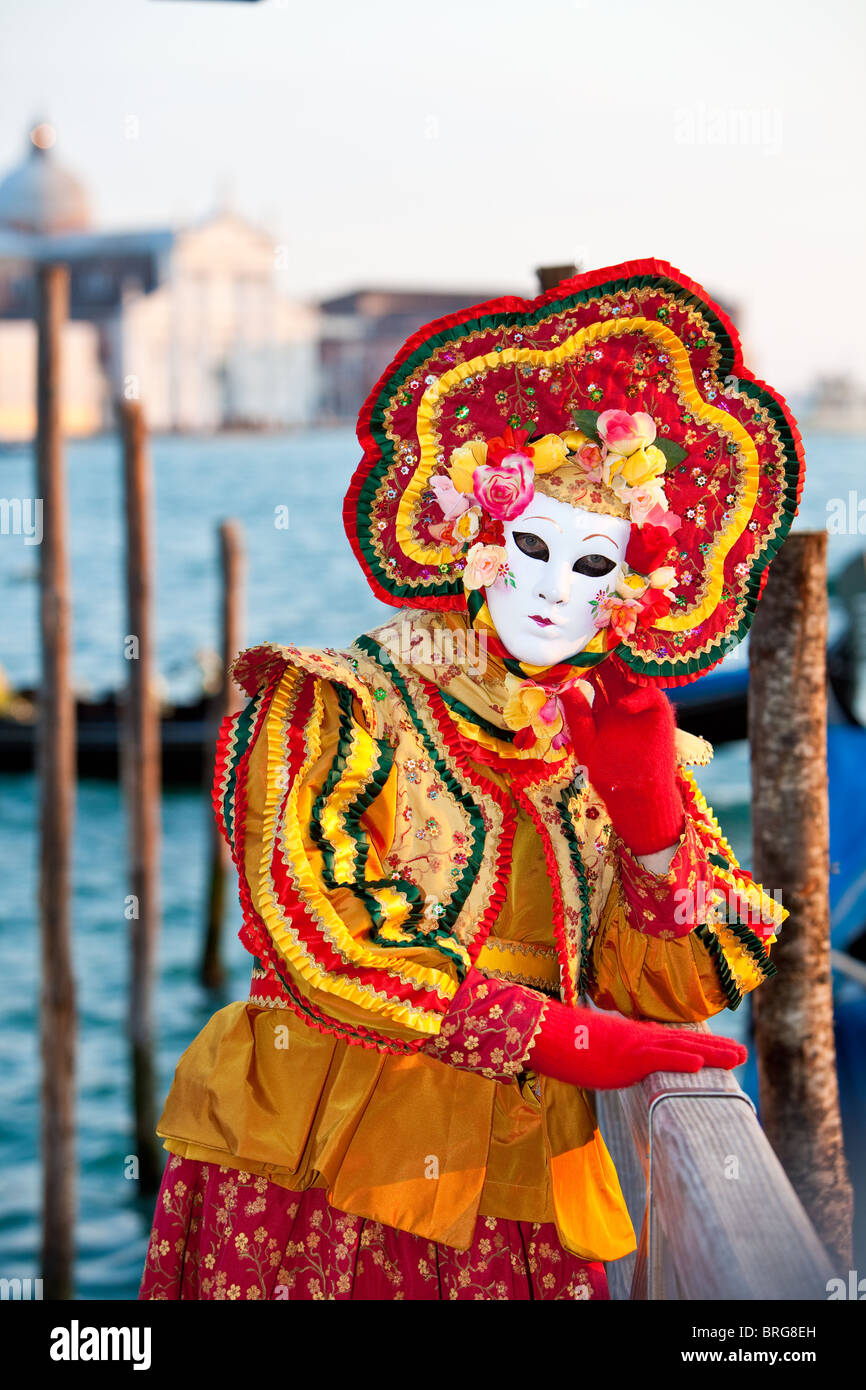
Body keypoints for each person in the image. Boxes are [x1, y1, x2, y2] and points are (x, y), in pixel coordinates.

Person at [139, 258, 804, 1301]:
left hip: (517, 1191)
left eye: (593, 565)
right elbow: (320, 937)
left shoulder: (616, 741)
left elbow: (684, 974)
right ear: (475, 538)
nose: (549, 587)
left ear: (635, 587)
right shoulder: (343, 702)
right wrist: (556, 1034)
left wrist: (647, 817)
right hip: (320, 1177)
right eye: (527, 544)